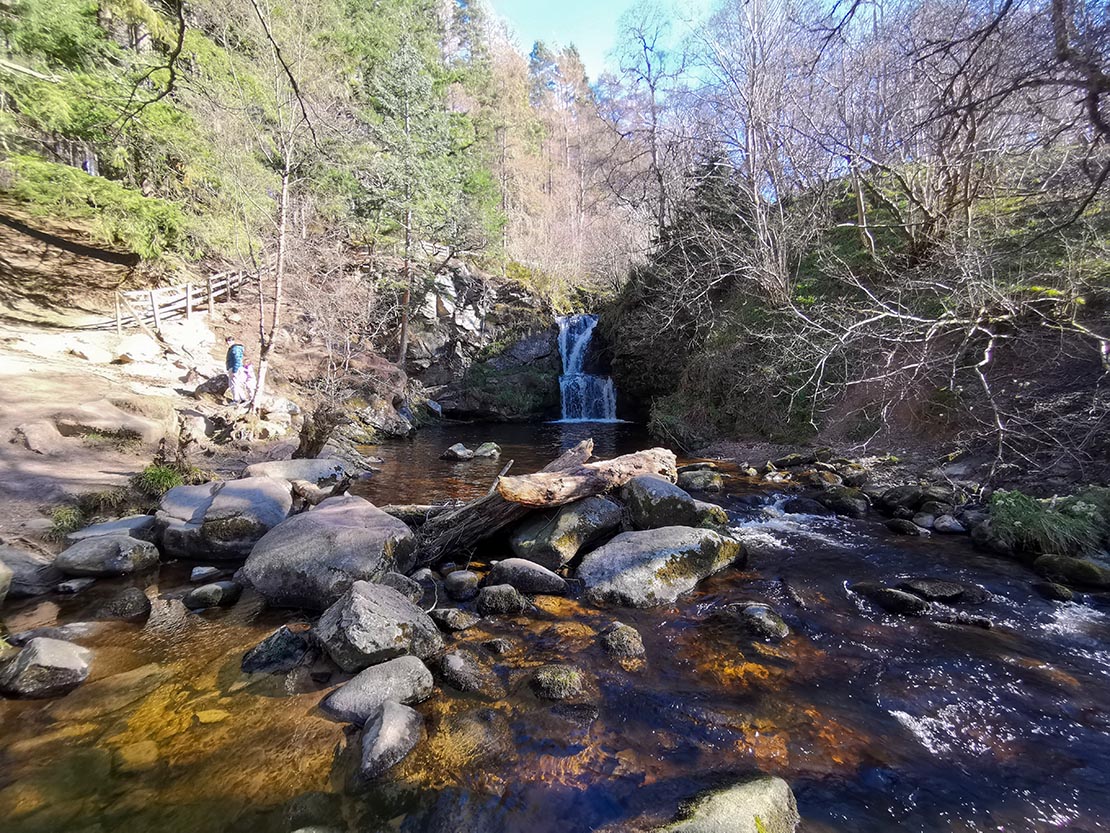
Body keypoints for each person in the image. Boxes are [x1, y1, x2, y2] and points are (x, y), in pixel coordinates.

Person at [225, 335, 248, 404]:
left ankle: (236, 399)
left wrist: (235, 370)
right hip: (235, 367)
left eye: (229, 341)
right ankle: (243, 398)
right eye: (227, 341)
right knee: (236, 383)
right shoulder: (234, 348)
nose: (228, 342)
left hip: (234, 368)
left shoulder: (235, 349)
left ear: (233, 341)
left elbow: (237, 359)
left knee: (233, 384)